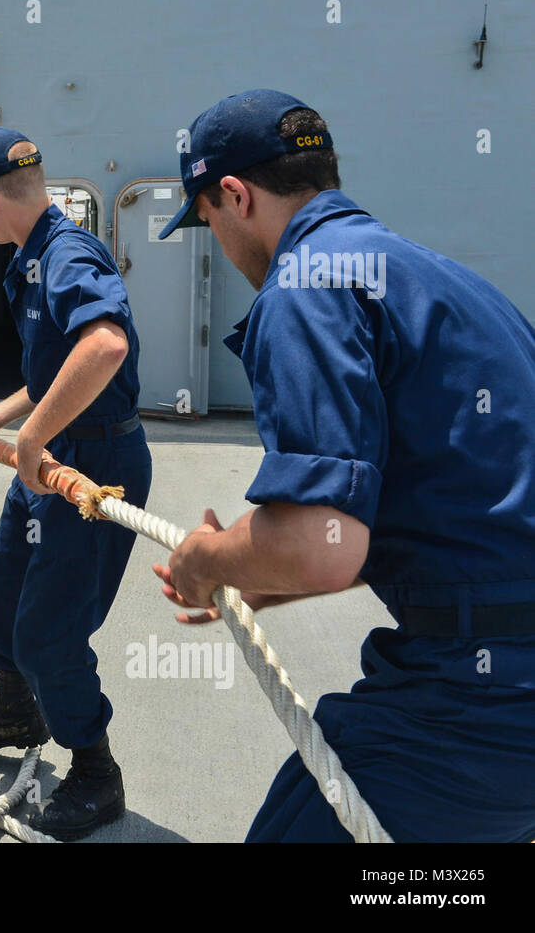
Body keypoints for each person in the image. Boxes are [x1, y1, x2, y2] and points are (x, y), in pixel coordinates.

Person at [152, 88, 535, 842]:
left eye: (209, 220)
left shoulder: (304, 289)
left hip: (476, 708)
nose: (222, 246)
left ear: (234, 194)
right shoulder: (450, 284)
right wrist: (264, 585)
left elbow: (317, 543)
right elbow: (442, 512)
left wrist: (211, 559)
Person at [0, 128, 152, 841]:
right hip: (50, 461)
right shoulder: (31, 259)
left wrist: (28, 439)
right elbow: (57, 364)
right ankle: (15, 709)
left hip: (94, 474)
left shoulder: (65, 255)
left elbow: (104, 344)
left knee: (49, 634)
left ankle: (96, 771)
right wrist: (0, 415)